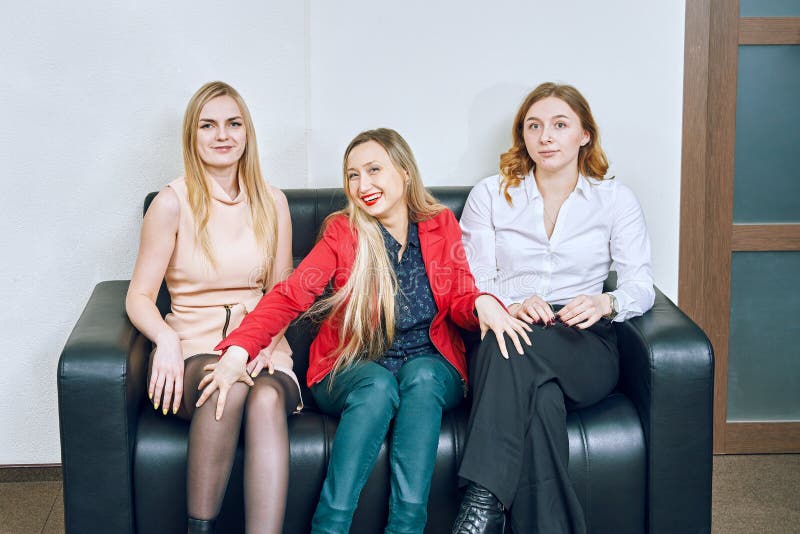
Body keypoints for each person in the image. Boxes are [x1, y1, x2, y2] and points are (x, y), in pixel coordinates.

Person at [201, 128, 531, 534]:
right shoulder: (344, 231)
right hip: (353, 368)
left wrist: (482, 303)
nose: (363, 185)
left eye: (374, 170)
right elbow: (291, 294)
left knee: (422, 376)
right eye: (353, 175)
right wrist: (238, 352)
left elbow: (461, 296)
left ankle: (407, 527)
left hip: (430, 364)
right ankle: (329, 527)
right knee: (377, 384)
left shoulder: (438, 223)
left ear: (404, 172)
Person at [452, 82, 655, 534]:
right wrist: (511, 303)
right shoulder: (490, 194)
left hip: (582, 338)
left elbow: (641, 284)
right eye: (534, 126)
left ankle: (480, 504)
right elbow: (473, 278)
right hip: (511, 324)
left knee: (508, 356)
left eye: (560, 125)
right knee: (539, 401)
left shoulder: (615, 199)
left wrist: (606, 301)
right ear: (522, 136)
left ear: (584, 134)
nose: (546, 136)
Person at [125, 81, 301, 534]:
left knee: (263, 397)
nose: (222, 135)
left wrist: (265, 345)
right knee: (229, 385)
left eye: (233, 124)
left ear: (247, 133)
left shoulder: (273, 202)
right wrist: (164, 338)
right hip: (193, 348)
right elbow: (138, 296)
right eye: (209, 125)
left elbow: (281, 296)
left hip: (262, 346)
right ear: (193, 135)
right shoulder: (171, 204)